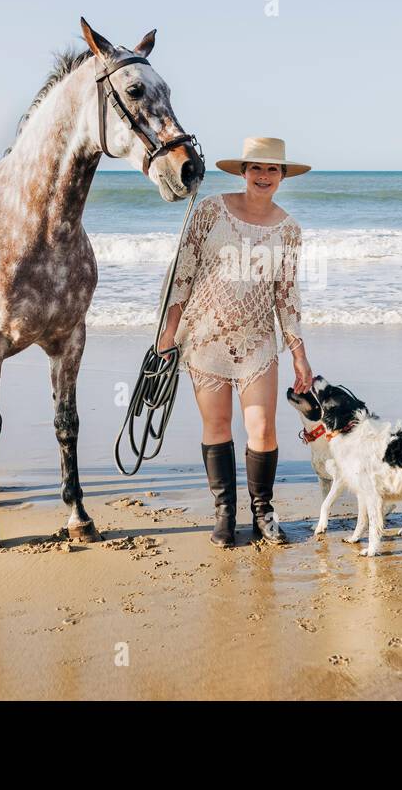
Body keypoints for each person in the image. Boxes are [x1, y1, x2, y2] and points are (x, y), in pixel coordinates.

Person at [157, 137, 314, 546]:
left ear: (282, 176)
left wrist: (300, 357)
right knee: (218, 423)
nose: (263, 176)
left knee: (262, 428)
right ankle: (224, 513)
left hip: (258, 342)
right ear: (243, 172)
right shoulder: (211, 210)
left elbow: (287, 296)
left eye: (272, 169)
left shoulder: (290, 230)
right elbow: (183, 272)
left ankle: (263, 513)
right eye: (256, 168)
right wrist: (167, 332)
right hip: (205, 336)